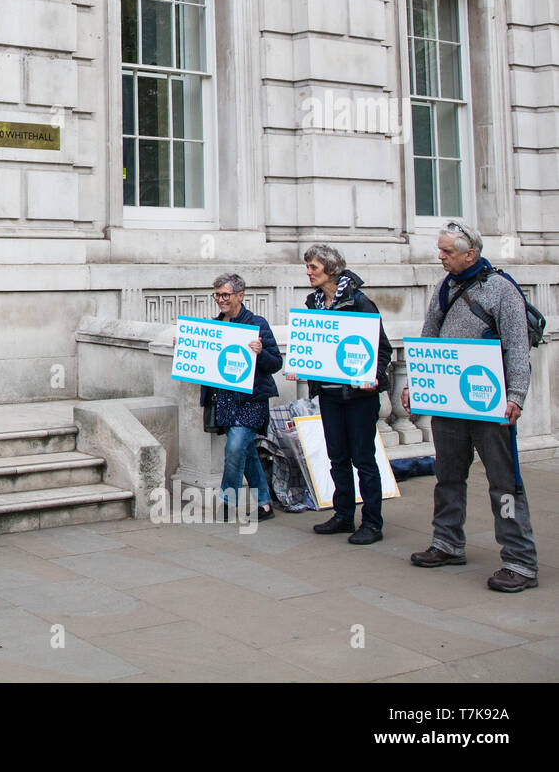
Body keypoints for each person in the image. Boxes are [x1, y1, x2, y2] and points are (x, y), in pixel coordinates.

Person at [401, 221, 538, 592]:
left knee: (504, 483)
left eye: (447, 251)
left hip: (489, 404)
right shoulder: (444, 287)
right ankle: (447, 542)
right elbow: (429, 338)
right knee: (447, 476)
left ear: (471, 254)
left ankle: (520, 560)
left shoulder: (502, 290)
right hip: (448, 403)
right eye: (440, 250)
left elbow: (516, 346)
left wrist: (516, 396)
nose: (440, 256)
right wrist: (417, 383)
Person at [290, 244, 392, 545]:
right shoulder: (314, 304)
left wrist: (373, 375)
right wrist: (300, 362)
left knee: (364, 459)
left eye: (313, 268)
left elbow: (381, 348)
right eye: (307, 267)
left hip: (359, 397)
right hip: (330, 394)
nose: (308, 273)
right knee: (337, 457)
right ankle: (344, 514)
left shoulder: (360, 302)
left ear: (331, 270)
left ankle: (372, 522)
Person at [198, 273, 281, 521]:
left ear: (240, 295)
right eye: (217, 294)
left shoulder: (257, 324)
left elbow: (275, 363)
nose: (221, 300)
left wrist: (261, 352)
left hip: (251, 401)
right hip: (224, 400)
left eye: (225, 294)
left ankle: (226, 500)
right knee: (245, 451)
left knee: (235, 448)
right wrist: (186, 346)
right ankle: (265, 503)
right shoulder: (215, 325)